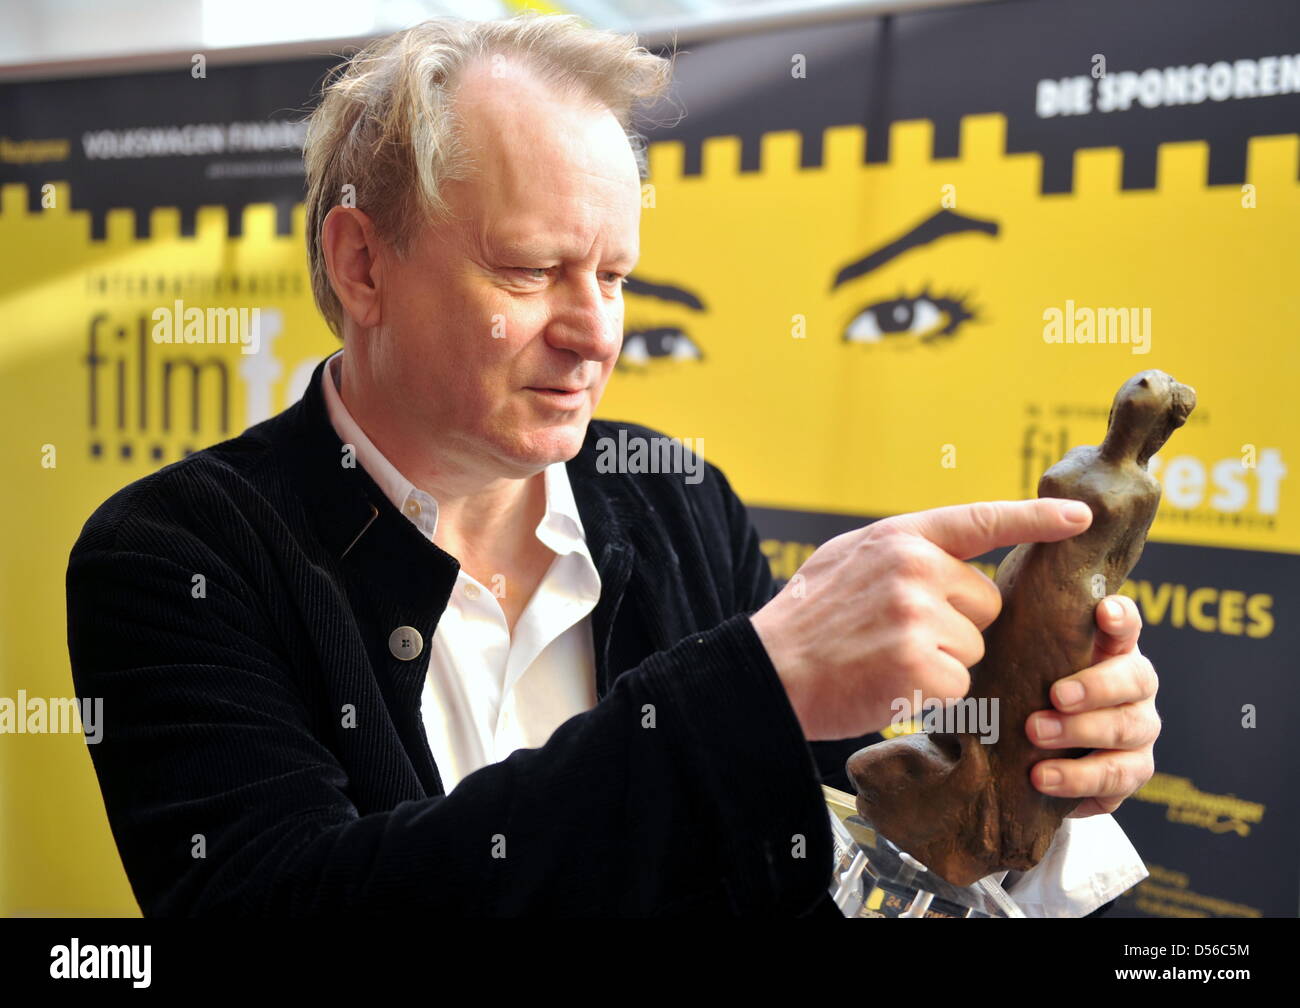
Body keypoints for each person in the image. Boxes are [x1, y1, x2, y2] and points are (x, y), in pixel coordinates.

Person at [65, 13, 1157, 917]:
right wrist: (749, 687)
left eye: (616, 275)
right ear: (361, 264)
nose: (596, 333)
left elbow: (858, 849)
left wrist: (1018, 770)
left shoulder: (676, 500)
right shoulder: (176, 555)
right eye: (534, 270)